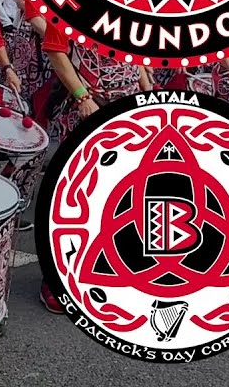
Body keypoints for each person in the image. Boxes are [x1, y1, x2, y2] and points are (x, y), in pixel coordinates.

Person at [38, 20, 153, 314]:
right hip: (86, 106)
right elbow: (55, 50)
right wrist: (82, 97)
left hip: (127, 106)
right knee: (74, 193)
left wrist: (146, 86)